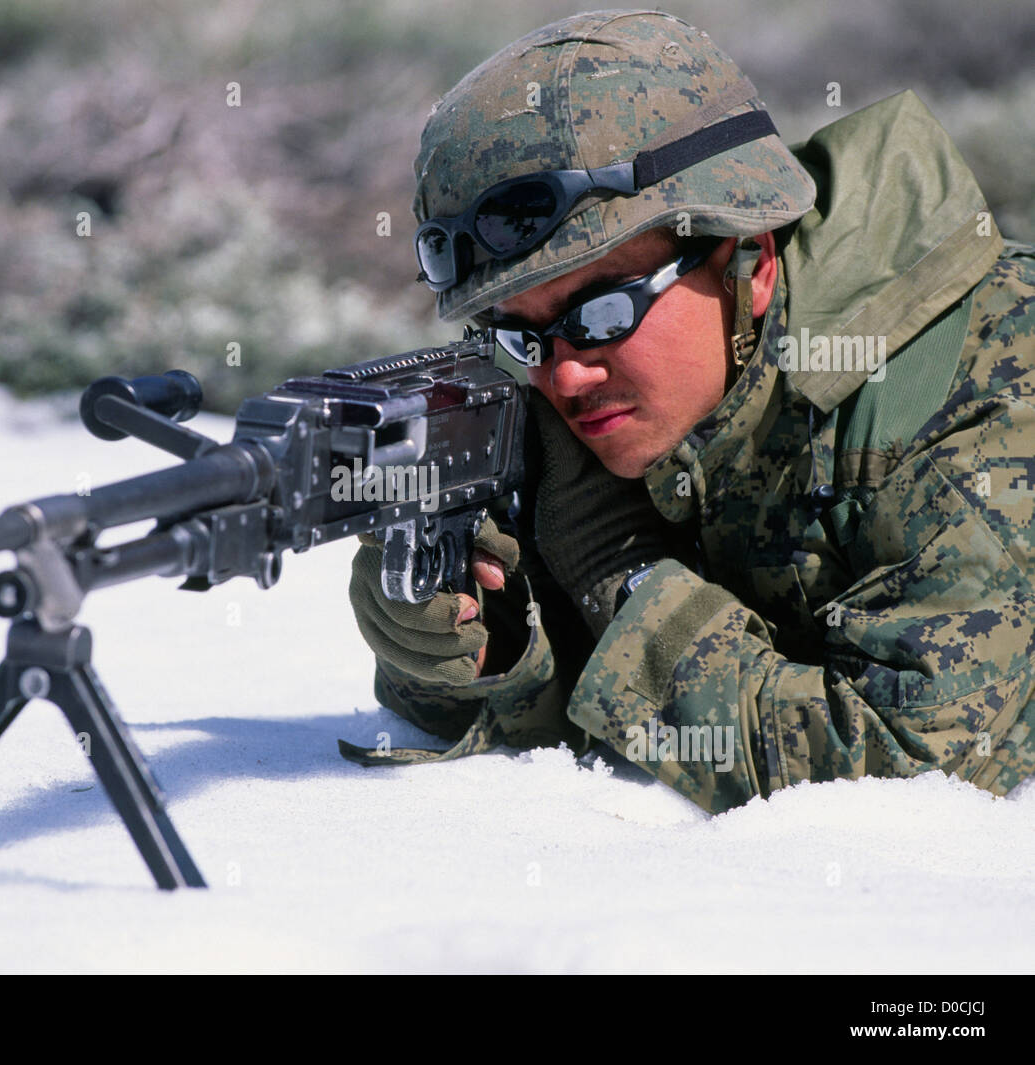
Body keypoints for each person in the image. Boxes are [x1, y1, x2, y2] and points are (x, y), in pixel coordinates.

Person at [342, 10, 1035, 813]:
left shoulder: (974, 396)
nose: (566, 375)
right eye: (521, 335)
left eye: (600, 314)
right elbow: (590, 704)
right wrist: (478, 644)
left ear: (752, 261)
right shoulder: (646, 388)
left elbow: (911, 781)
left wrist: (617, 569)